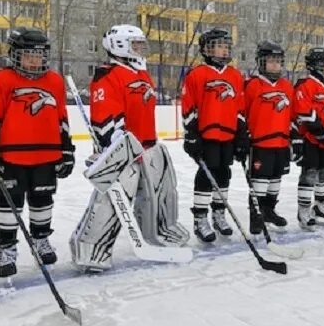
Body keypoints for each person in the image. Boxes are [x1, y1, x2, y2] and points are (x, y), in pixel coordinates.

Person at [71, 25, 188, 272]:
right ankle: (91, 248)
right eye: (135, 44)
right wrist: (116, 144)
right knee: (111, 202)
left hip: (148, 144)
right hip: (124, 149)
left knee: (161, 192)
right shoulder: (107, 75)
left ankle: (161, 233)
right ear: (120, 45)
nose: (140, 48)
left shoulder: (140, 71)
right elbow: (104, 118)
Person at [0, 28, 74, 277]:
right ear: (15, 54)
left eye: (39, 55)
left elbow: (62, 118)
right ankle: (7, 249)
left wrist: (67, 149)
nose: (34, 60)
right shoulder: (1, 79)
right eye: (28, 55)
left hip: (47, 155)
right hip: (11, 156)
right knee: (10, 205)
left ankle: (41, 240)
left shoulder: (55, 81)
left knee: (43, 202)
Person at [181, 28, 248, 243]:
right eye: (219, 46)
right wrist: (192, 135)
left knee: (223, 174)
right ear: (207, 49)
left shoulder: (235, 75)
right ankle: (200, 218)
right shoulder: (197, 74)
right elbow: (188, 107)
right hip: (206, 135)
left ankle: (219, 213)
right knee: (206, 174)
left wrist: (241, 135)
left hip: (227, 135)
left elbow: (240, 108)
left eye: (226, 46)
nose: (224, 50)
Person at [243, 40, 294, 234]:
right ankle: (256, 216)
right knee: (260, 181)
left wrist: (294, 139)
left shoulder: (287, 86)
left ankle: (269, 210)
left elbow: (293, 115)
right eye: (270, 61)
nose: (275, 65)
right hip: (260, 143)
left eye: (278, 61)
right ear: (261, 62)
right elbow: (242, 112)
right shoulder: (252, 85)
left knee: (275, 179)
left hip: (281, 143)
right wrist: (242, 136)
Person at [293, 47, 324, 229]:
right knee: (310, 173)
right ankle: (304, 209)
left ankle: (320, 205)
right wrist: (321, 132)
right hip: (310, 139)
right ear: (317, 67)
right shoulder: (305, 85)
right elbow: (304, 113)